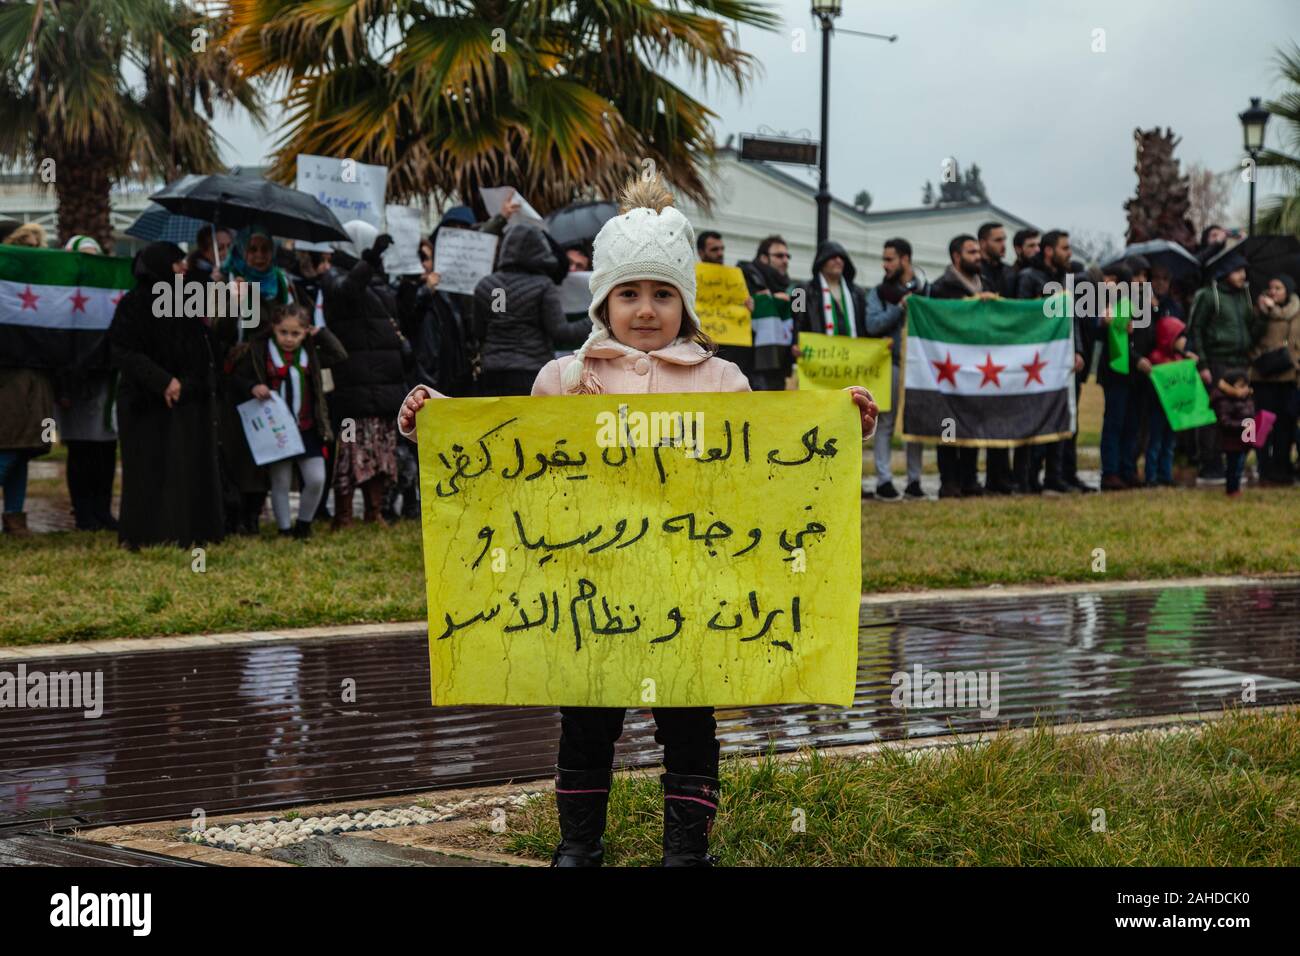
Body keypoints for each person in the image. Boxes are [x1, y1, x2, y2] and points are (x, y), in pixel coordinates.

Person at [397, 174, 878, 867]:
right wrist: (436, 422)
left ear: (685, 300)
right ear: (602, 301)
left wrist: (836, 423)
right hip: (587, 589)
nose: (645, 310)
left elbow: (765, 464)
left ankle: (686, 853)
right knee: (587, 718)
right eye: (628, 293)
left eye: (662, 294)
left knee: (688, 720)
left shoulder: (723, 381)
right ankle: (578, 846)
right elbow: (508, 454)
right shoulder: (563, 378)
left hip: (689, 590)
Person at [108, 242, 225, 548]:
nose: (183, 268)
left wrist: (224, 297)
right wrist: (162, 381)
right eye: (176, 263)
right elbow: (123, 351)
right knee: (147, 468)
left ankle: (186, 531)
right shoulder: (132, 305)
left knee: (184, 466)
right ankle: (144, 534)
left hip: (185, 399)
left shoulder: (187, 299)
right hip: (143, 400)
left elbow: (203, 349)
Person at [228, 303, 347, 538]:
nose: (289, 339)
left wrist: (320, 333)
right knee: (280, 480)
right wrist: (253, 386)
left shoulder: (311, 353)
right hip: (277, 427)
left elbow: (339, 355)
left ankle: (304, 524)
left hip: (308, 426)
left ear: (305, 332)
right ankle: (284, 528)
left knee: (316, 478)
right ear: (274, 328)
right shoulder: (260, 351)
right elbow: (236, 379)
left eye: (296, 333)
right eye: (284, 332)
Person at [319, 222, 409, 527]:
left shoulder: (379, 280)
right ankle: (343, 514)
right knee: (350, 450)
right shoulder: (334, 277)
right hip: (353, 381)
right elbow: (348, 292)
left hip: (382, 381)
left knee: (380, 448)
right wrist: (369, 260)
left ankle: (374, 510)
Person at [473, 222, 591, 396]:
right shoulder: (543, 286)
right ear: (539, 250)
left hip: (492, 371)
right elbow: (561, 332)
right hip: (531, 371)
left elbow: (478, 332)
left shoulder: (486, 285)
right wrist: (595, 318)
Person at [1013, 229, 1085, 495]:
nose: (1069, 253)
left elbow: (1070, 320)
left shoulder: (1065, 281)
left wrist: (1077, 350)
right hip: (1036, 364)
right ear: (1049, 251)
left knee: (1062, 416)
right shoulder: (1028, 278)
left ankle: (1056, 475)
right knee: (1033, 419)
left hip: (1062, 363)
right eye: (1065, 248)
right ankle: (1026, 478)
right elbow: (1022, 318)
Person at [54, 234, 118, 531]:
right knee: (81, 452)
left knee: (105, 451)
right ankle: (84, 513)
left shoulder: (109, 296)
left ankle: (102, 511)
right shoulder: (59, 298)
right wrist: (63, 388)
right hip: (76, 388)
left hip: (106, 386)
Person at [0, 222, 55, 536]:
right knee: (8, 448)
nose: (31, 252)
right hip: (8, 381)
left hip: (35, 381)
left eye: (36, 246)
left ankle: (15, 516)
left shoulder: (42, 287)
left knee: (23, 450)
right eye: (23, 245)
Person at [865, 238, 929, 499]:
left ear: (905, 259)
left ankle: (914, 481)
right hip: (890, 365)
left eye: (890, 259)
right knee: (886, 421)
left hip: (921, 366)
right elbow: (872, 324)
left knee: (916, 422)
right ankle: (884, 481)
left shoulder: (927, 290)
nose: (885, 265)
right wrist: (899, 308)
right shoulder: (879, 293)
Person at [1186, 251, 1255, 484]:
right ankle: (1210, 463)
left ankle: (1238, 460)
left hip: (1241, 363)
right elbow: (1195, 329)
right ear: (1225, 273)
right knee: (1216, 412)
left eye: (1243, 271)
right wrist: (1203, 364)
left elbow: (1250, 327)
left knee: (1245, 412)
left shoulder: (1245, 296)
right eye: (1237, 271)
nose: (1241, 275)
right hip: (1217, 361)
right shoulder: (1208, 296)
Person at [928, 234, 988, 497]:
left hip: (976, 367)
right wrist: (972, 306)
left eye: (978, 252)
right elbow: (942, 320)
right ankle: (949, 480)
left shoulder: (985, 284)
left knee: (973, 422)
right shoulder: (941, 287)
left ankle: (970, 477)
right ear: (956, 256)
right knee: (949, 425)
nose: (978, 257)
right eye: (972, 252)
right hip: (949, 367)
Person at [1249, 275, 1300, 484]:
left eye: (1278, 288)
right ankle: (1262, 465)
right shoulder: (1259, 310)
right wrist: (1263, 313)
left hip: (1288, 377)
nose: (1273, 292)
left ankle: (1282, 466)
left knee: (1285, 425)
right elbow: (1250, 337)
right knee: (1260, 424)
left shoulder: (1296, 312)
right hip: (1263, 377)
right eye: (1270, 287)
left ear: (1287, 291)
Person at [1138, 313, 1195, 486]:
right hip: (1158, 408)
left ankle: (1165, 475)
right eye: (1180, 337)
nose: (1183, 341)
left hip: (1173, 410)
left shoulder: (1178, 357)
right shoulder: (1156, 358)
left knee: (1169, 443)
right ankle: (1151, 476)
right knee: (1155, 442)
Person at [738, 235, 795, 392]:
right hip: (752, 368)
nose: (785, 260)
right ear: (763, 258)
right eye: (779, 255)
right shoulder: (744, 279)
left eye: (787, 256)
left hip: (779, 367)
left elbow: (800, 317)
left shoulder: (794, 288)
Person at [697, 230, 755, 383]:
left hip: (730, 347)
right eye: (714, 249)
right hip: (700, 346)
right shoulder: (691, 277)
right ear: (701, 252)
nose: (720, 253)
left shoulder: (735, 279)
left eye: (722, 249)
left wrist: (748, 307)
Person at [1209, 368, 1255, 497]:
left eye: (1246, 385)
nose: (1245, 389)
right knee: (1233, 466)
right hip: (1231, 441)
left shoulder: (1246, 399)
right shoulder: (1223, 400)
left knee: (1239, 466)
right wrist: (1243, 425)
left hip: (1243, 440)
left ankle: (1236, 488)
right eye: (1241, 386)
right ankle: (1231, 489)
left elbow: (1250, 415)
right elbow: (1224, 422)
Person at [978, 222, 1014, 297]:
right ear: (982, 243)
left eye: (1004, 240)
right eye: (998, 240)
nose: (1003, 245)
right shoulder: (973, 270)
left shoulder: (1009, 271)